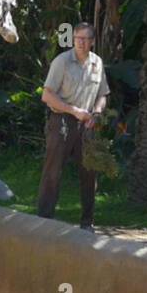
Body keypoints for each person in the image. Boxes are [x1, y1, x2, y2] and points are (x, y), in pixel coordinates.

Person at [38, 22, 108, 231]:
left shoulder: (97, 63)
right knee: (53, 170)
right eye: (78, 38)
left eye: (86, 39)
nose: (82, 43)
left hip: (87, 124)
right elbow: (46, 95)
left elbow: (103, 94)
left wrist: (97, 112)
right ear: (73, 39)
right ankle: (43, 220)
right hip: (62, 121)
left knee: (90, 173)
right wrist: (73, 111)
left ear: (93, 41)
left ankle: (88, 223)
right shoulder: (62, 62)